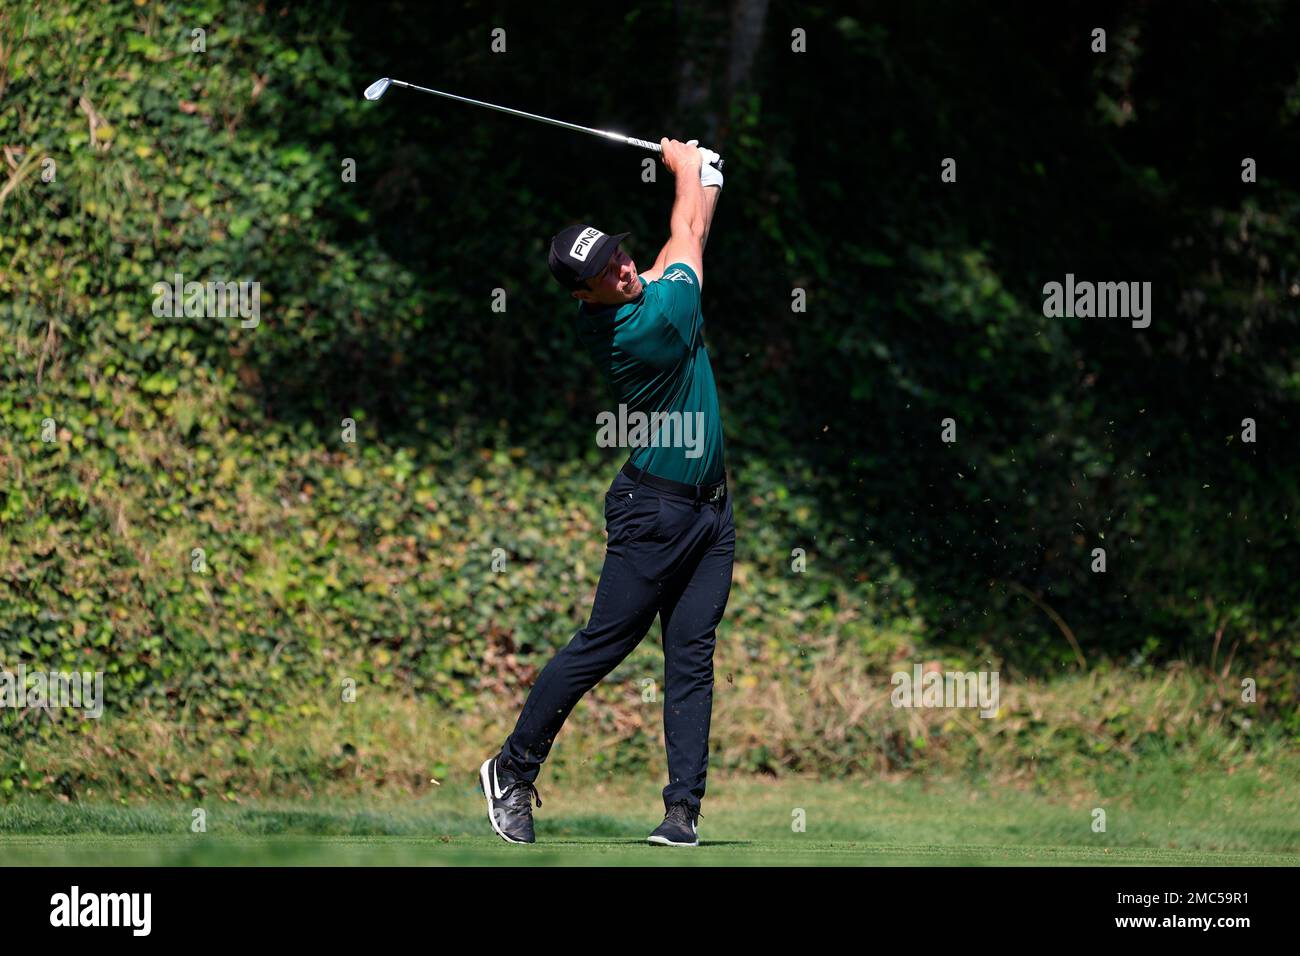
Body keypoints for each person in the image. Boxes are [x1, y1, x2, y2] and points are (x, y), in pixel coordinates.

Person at [479, 138, 731, 847]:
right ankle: (511, 768)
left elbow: (669, 256)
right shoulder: (648, 326)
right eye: (604, 271)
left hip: (711, 509)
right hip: (654, 511)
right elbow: (686, 236)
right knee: (602, 646)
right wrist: (692, 172)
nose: (622, 269)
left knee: (691, 655)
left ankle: (681, 812)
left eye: (618, 254)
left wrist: (704, 182)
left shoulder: (638, 296)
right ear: (582, 294)